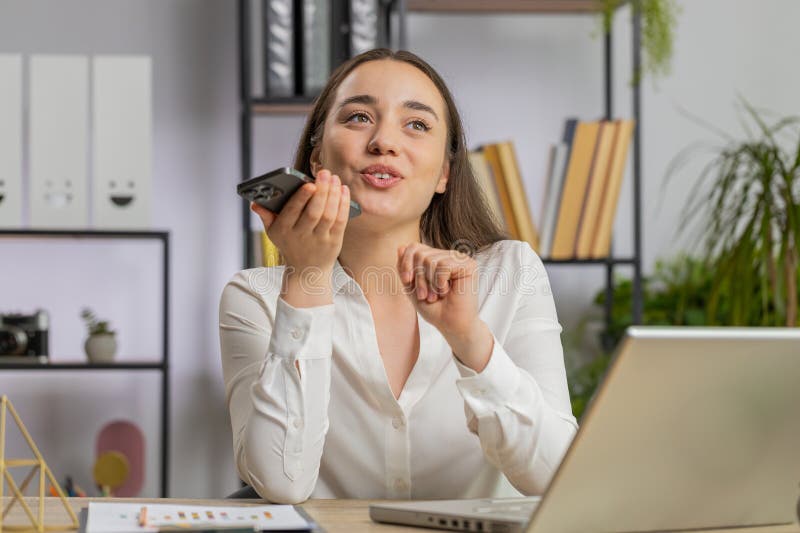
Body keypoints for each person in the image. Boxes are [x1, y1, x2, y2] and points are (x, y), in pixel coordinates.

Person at [219, 48, 577, 504]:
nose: (384, 141)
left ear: (444, 173)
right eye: (358, 118)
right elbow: (280, 481)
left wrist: (469, 338)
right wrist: (307, 278)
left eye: (417, 124)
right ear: (317, 161)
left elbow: (553, 476)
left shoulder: (512, 272)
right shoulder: (255, 297)